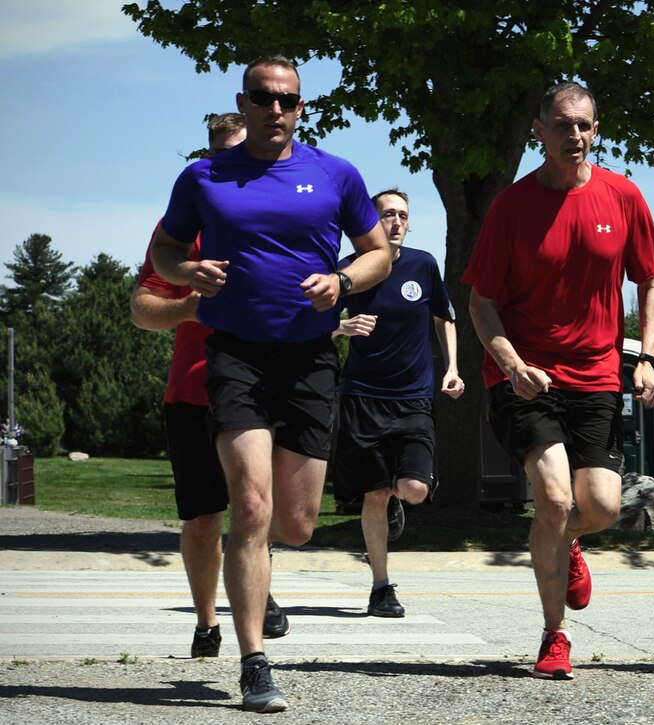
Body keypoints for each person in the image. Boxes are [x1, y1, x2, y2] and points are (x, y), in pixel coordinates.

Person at [151, 56, 393, 713]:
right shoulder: (204, 176)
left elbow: (379, 251)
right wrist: (188, 269)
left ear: (301, 107)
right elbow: (165, 252)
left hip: (312, 358)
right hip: (236, 357)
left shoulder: (334, 173)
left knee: (298, 521)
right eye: (263, 97)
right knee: (250, 505)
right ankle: (254, 660)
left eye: (286, 99)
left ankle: (260, 577)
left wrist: (341, 281)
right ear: (245, 100)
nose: (275, 109)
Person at [462, 81, 654, 680]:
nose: (572, 136)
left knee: (598, 507)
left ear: (595, 130)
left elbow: (650, 280)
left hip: (597, 376)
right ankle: (555, 636)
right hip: (527, 378)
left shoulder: (623, 196)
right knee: (553, 497)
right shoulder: (512, 206)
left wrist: (645, 357)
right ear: (539, 131)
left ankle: (566, 541)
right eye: (560, 125)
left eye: (582, 125)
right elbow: (481, 302)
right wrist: (510, 365)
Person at [131, 113, 292, 660]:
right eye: (227, 156)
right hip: (195, 390)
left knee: (258, 506)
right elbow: (142, 310)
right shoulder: (182, 228)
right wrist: (192, 305)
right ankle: (207, 622)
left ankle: (256, 593)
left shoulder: (287, 216)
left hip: (263, 388)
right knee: (204, 518)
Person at [332, 188, 464, 619]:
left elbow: (445, 317)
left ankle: (398, 499)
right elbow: (312, 325)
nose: (396, 221)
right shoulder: (348, 270)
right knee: (374, 494)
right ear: (370, 222)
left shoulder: (422, 264)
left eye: (402, 215)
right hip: (364, 397)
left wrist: (452, 368)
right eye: (387, 214)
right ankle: (380, 587)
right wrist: (343, 328)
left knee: (413, 489)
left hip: (413, 397)